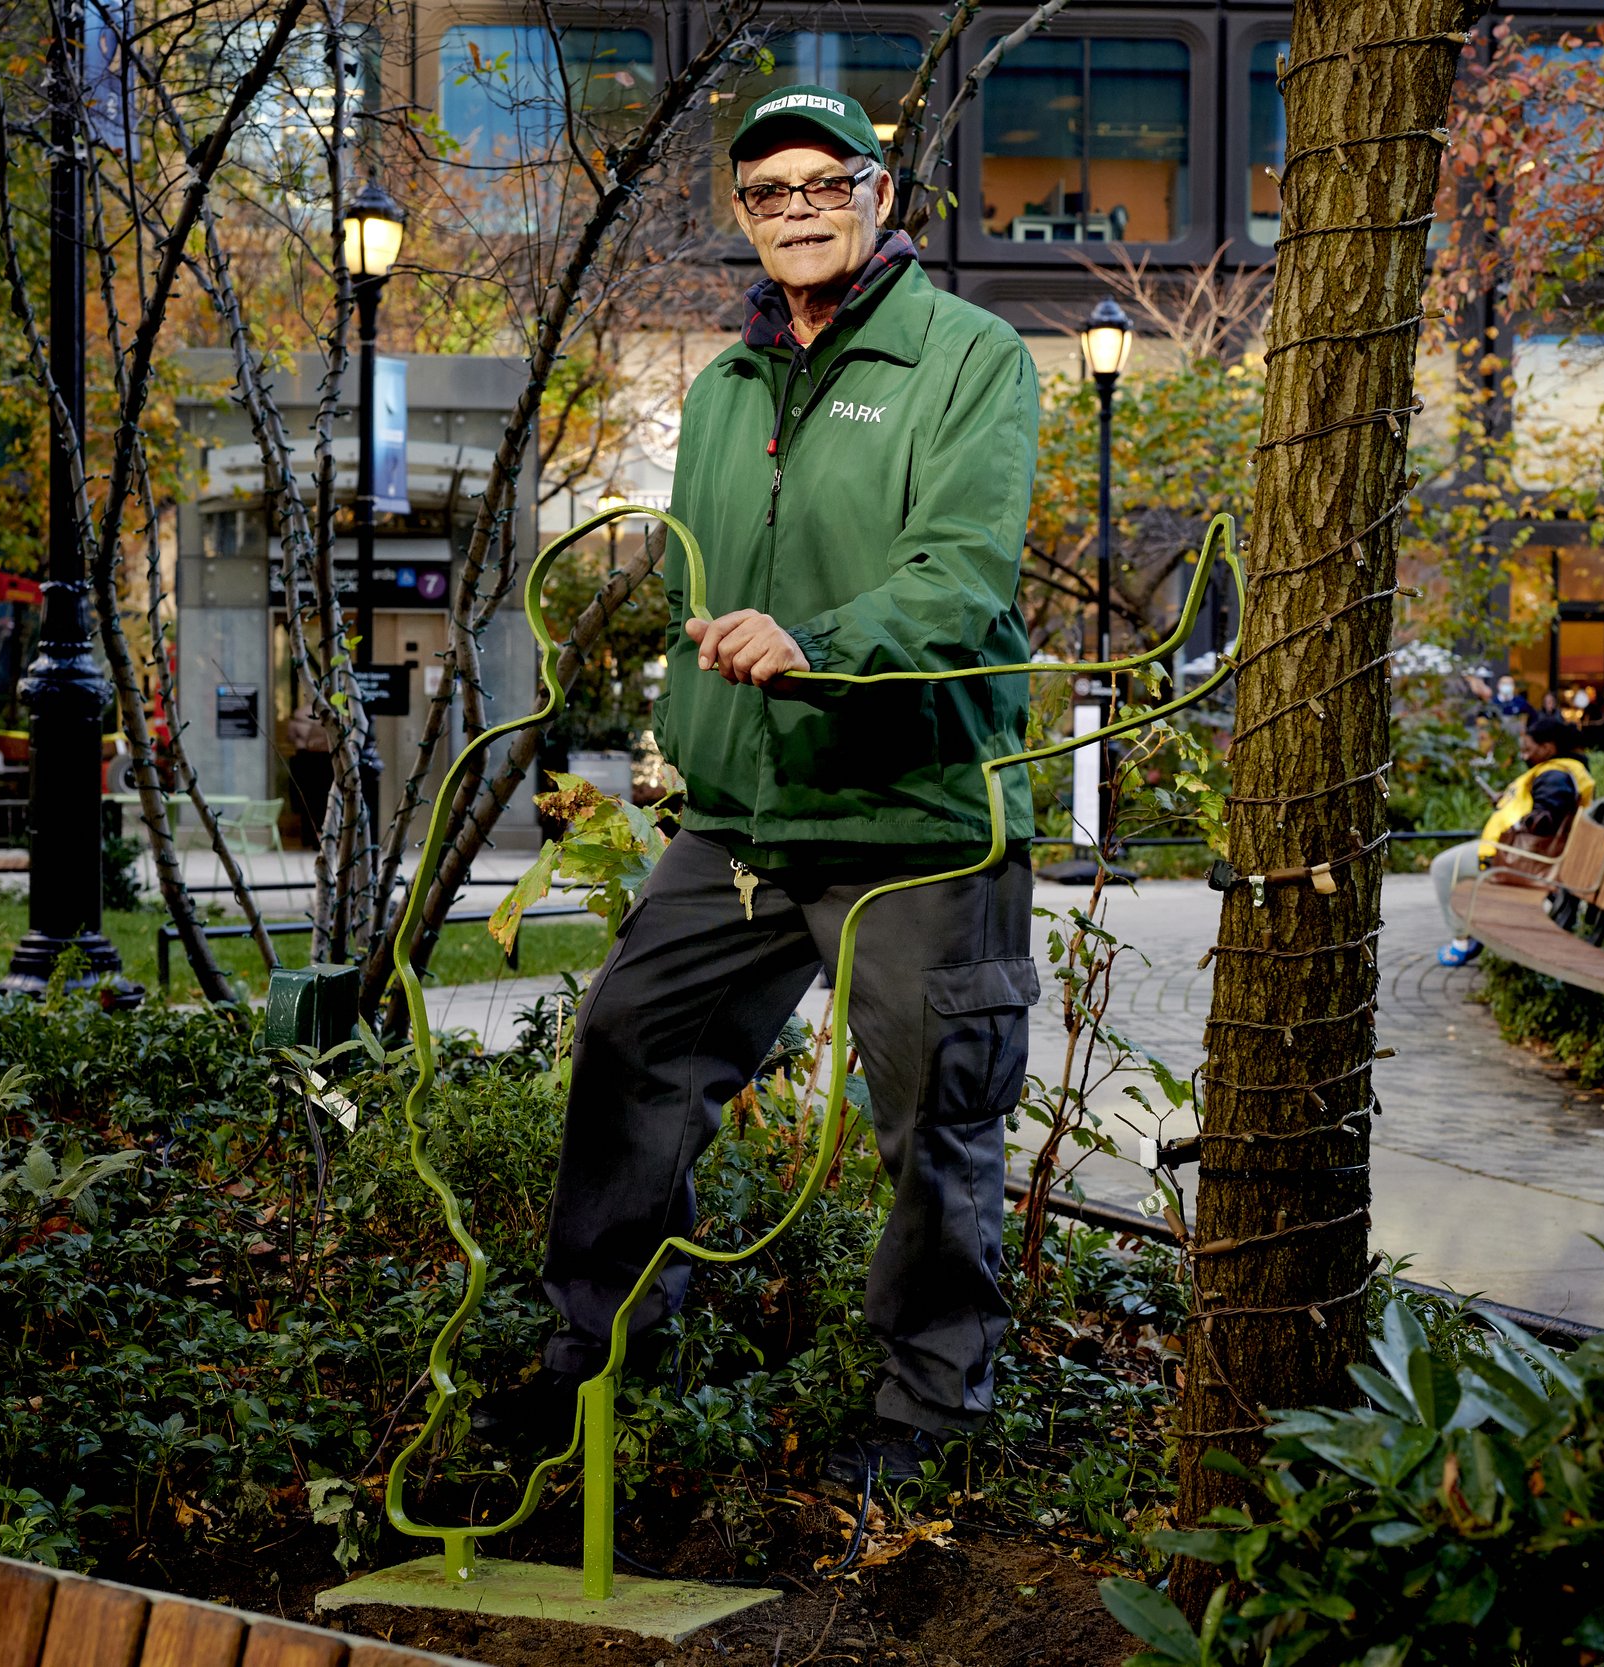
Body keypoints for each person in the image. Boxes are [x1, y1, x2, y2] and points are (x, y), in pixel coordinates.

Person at [474, 85, 1042, 1488]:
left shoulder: (967, 356)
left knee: (936, 1120)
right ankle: (594, 1359)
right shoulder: (726, 385)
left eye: (822, 183)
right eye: (767, 191)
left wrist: (820, 645)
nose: (797, 209)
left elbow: (962, 573)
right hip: (740, 819)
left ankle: (927, 1416)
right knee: (629, 1038)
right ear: (745, 214)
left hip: (916, 817)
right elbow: (705, 573)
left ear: (878, 195)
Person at [1431, 714, 1593, 967]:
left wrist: (1520, 823)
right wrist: (1506, 801)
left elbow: (1547, 816)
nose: (1524, 755)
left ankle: (1461, 941)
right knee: (1451, 865)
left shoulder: (1555, 775)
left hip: (1518, 858)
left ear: (1548, 748)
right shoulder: (1563, 770)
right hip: (1520, 853)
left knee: (1443, 867)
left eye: (1528, 749)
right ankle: (1474, 931)